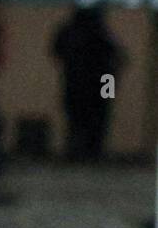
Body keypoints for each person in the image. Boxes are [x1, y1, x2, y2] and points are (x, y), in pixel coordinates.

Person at [51, 8, 121, 159]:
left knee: (88, 119)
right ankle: (82, 151)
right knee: (81, 119)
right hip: (85, 83)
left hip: (97, 83)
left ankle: (87, 152)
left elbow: (117, 58)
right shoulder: (91, 32)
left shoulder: (100, 33)